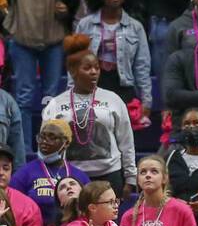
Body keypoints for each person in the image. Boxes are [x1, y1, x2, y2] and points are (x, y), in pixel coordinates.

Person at [0, 0, 72, 149]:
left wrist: (65, 4)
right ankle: (24, 153)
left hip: (54, 36)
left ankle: (51, 149)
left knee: (52, 99)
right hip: (23, 37)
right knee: (24, 97)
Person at [42, 35, 135, 192]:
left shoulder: (113, 99)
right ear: (72, 71)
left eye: (97, 68)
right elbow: (46, 146)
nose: (94, 72)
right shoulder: (56, 104)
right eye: (87, 68)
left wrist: (130, 176)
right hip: (71, 176)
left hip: (110, 174)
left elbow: (126, 142)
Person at [73, 0, 150, 117]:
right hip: (94, 83)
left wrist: (146, 100)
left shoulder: (135, 27)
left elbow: (142, 66)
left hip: (123, 85)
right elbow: (75, 62)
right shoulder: (85, 25)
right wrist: (73, 94)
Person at [12, 120, 89, 224]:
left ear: (66, 143)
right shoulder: (24, 173)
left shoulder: (80, 176)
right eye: (42, 137)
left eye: (52, 137)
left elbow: (90, 208)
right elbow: (12, 203)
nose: (44, 141)